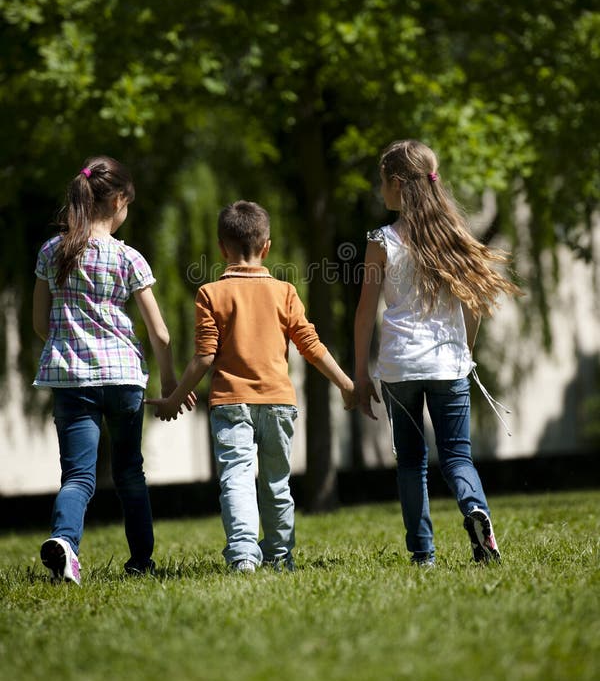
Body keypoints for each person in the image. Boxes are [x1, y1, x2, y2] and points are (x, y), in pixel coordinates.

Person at [146, 200, 356, 573]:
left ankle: (243, 554)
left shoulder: (210, 294)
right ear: (267, 247)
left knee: (237, 480)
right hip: (278, 403)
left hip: (230, 404)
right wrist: (346, 383)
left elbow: (204, 358)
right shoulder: (285, 292)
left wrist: (174, 398)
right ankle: (278, 553)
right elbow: (310, 345)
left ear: (221, 247)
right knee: (277, 483)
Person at [354, 139, 522, 567]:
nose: (380, 190)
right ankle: (475, 509)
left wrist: (360, 374)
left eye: (382, 182)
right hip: (449, 364)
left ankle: (422, 554)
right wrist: (465, 351)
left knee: (412, 462)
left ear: (396, 184)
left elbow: (364, 313)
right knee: (457, 456)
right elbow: (475, 304)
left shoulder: (381, 240)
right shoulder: (454, 236)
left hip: (399, 367)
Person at [33, 155, 191, 585]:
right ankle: (141, 561)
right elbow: (160, 333)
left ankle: (65, 542)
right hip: (123, 378)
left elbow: (39, 322)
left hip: (70, 378)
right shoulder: (128, 257)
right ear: (119, 200)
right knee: (129, 473)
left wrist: (68, 341)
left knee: (78, 476)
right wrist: (171, 383)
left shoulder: (52, 251)